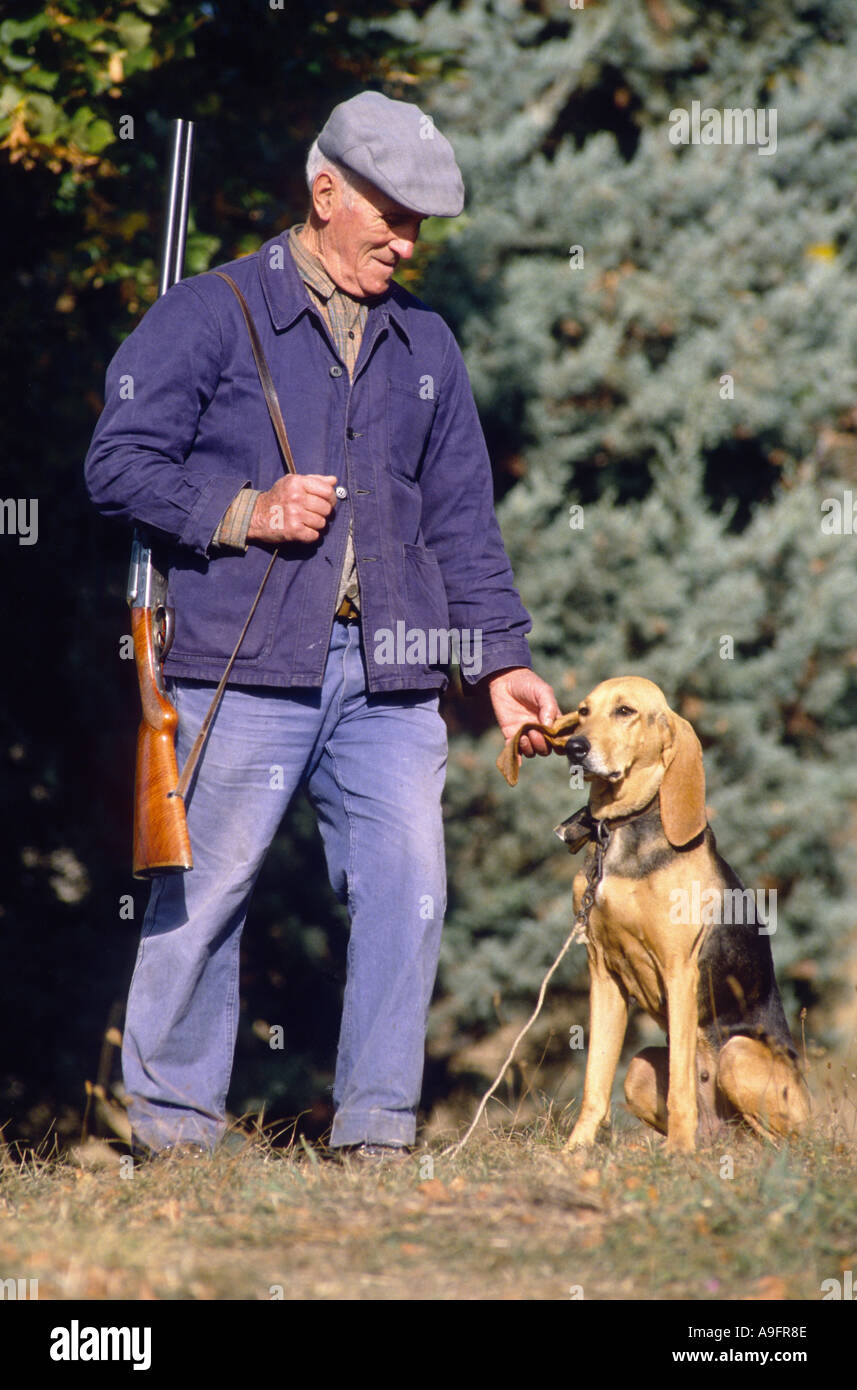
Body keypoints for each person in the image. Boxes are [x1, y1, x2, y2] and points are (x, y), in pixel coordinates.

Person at [85, 91, 560, 1161]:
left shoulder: (425, 342)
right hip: (241, 661)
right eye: (389, 216)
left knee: (410, 891)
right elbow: (114, 464)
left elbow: (462, 523)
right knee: (202, 903)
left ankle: (376, 1139)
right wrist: (245, 512)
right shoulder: (210, 313)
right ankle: (174, 1146)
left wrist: (502, 663)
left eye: (419, 225)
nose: (405, 242)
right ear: (324, 192)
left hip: (391, 672)